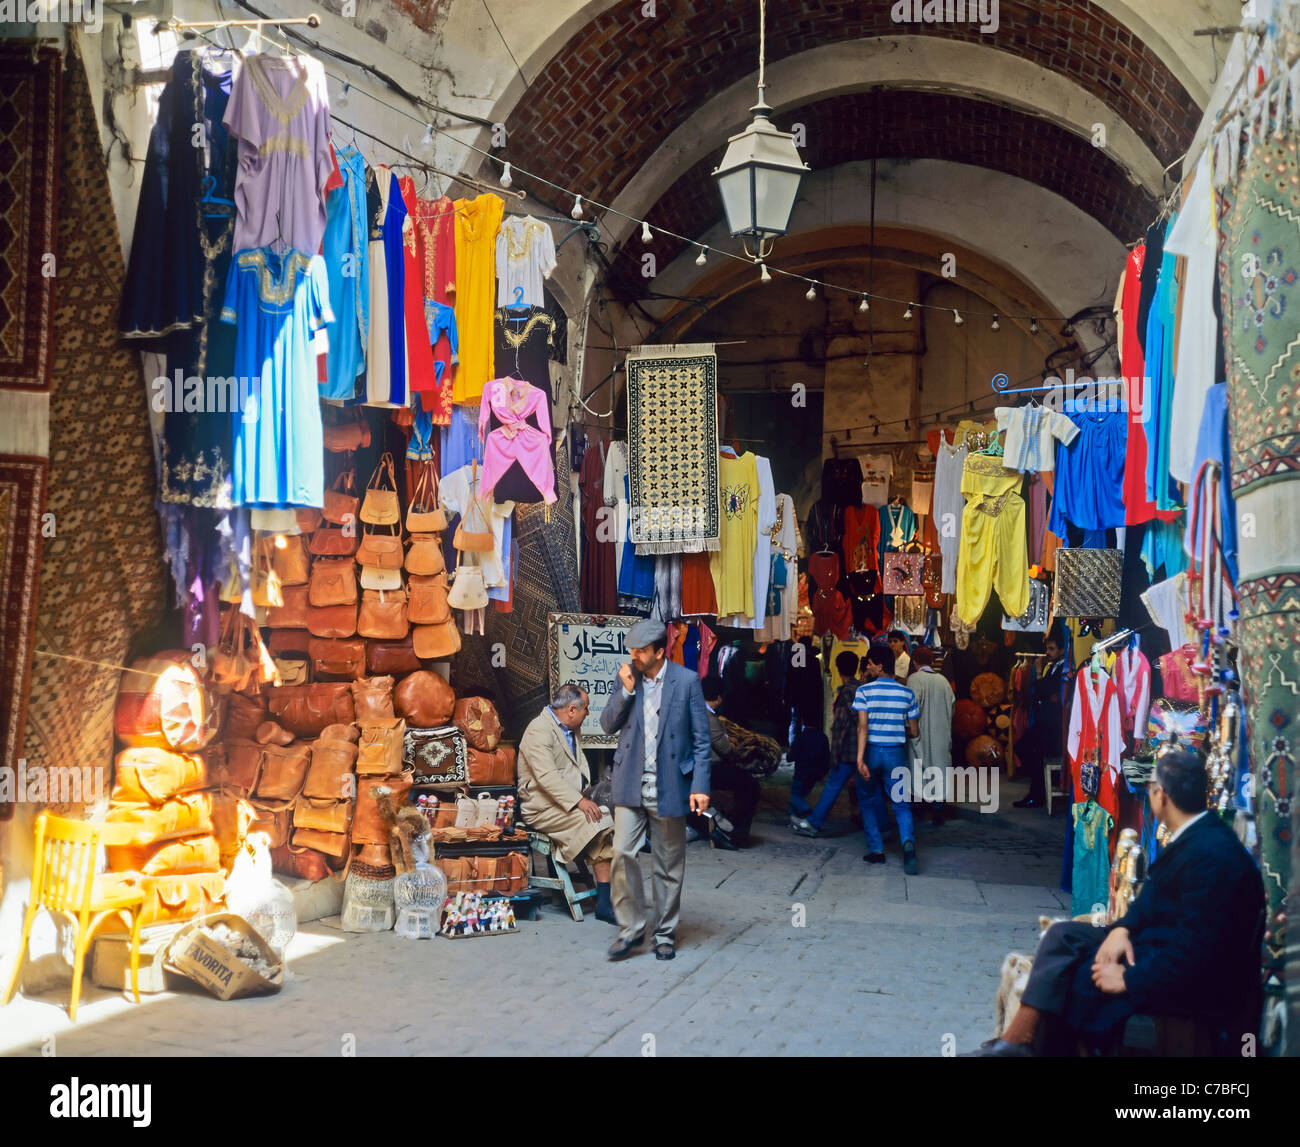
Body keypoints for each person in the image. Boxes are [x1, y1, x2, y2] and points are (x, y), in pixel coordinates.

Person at [964, 750, 1265, 1056]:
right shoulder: (1196, 835)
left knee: (1076, 979)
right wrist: (1121, 929)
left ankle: (1018, 1045)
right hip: (1157, 944)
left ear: (1161, 795)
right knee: (1063, 936)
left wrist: (1128, 979)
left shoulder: (1211, 854)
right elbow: (1150, 901)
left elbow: (1195, 952)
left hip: (1196, 984)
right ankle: (1014, 1045)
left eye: (1150, 789)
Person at [600, 618, 712, 962]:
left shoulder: (687, 681)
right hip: (630, 782)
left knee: (667, 864)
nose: (634, 655)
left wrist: (700, 786)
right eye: (631, 649)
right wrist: (626, 690)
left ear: (660, 652)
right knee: (622, 854)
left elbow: (702, 740)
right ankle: (631, 929)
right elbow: (607, 725)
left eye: (641, 650)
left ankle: (664, 933)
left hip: (670, 785)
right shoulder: (627, 679)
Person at [516, 684, 617, 923]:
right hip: (541, 808)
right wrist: (579, 801)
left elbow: (573, 767)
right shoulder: (538, 730)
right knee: (597, 821)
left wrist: (587, 793)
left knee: (603, 821)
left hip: (563, 802)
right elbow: (547, 777)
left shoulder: (570, 729)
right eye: (586, 709)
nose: (588, 714)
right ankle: (605, 901)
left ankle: (606, 900)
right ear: (572, 709)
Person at [853, 644, 921, 873]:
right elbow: (915, 731)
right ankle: (908, 845)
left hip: (871, 752)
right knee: (901, 804)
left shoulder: (863, 692)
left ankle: (877, 850)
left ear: (881, 665)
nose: (868, 667)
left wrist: (860, 759)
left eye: (871, 663)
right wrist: (899, 730)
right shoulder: (907, 693)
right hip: (896, 754)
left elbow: (862, 727)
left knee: (867, 799)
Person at [790, 650, 861, 838]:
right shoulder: (859, 688)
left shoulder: (847, 692)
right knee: (870, 789)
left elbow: (846, 725)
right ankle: (884, 827)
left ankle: (813, 822)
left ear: (837, 670)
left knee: (833, 785)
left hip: (849, 748)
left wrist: (835, 753)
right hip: (857, 748)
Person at [686, 676, 760, 849]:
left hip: (695, 766)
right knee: (750, 785)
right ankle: (735, 833)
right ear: (719, 698)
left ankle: (724, 826)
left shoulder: (692, 709)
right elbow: (726, 749)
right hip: (707, 767)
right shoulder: (707, 717)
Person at [1012, 628, 1072, 809]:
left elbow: (1045, 689)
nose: (1048, 652)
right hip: (1044, 723)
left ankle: (1036, 795)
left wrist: (1038, 673)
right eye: (1048, 648)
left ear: (1061, 650)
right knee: (1023, 748)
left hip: (1052, 728)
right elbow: (1043, 692)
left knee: (1033, 753)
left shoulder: (1061, 668)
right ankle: (1037, 790)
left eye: (1052, 649)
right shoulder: (1052, 667)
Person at [908, 646, 954, 825]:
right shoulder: (944, 681)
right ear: (933, 662)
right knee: (940, 768)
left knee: (918, 768)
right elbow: (952, 706)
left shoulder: (914, 679)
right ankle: (938, 809)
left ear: (914, 662)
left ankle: (919, 808)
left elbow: (912, 707)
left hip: (919, 733)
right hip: (941, 733)